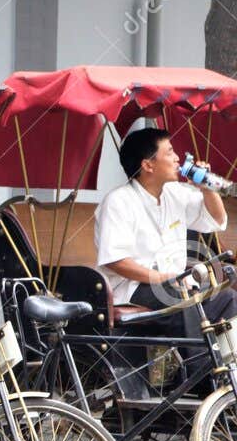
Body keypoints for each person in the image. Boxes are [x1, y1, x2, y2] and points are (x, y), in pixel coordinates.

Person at [95, 127, 237, 332]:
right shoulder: (118, 201)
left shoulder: (175, 192)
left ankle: (229, 362)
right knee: (186, 300)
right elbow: (116, 260)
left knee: (228, 298)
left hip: (176, 284)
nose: (178, 158)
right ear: (148, 165)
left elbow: (216, 220)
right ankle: (200, 365)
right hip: (133, 287)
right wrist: (163, 278)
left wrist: (207, 187)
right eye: (170, 152)